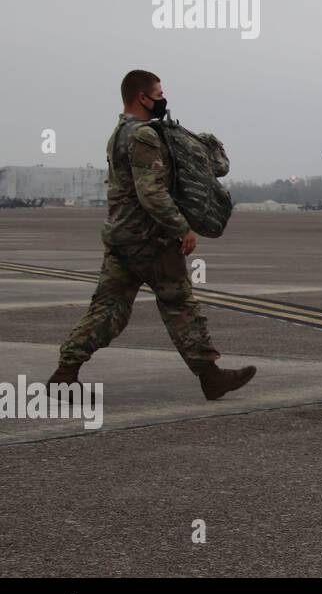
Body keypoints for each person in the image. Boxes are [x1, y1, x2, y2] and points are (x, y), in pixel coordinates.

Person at [47, 70, 256, 399]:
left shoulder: (119, 133)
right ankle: (210, 376)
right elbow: (151, 192)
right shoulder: (144, 136)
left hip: (121, 239)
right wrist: (181, 227)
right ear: (142, 97)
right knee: (180, 306)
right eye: (158, 94)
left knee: (107, 310)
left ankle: (65, 372)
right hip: (151, 241)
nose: (162, 99)